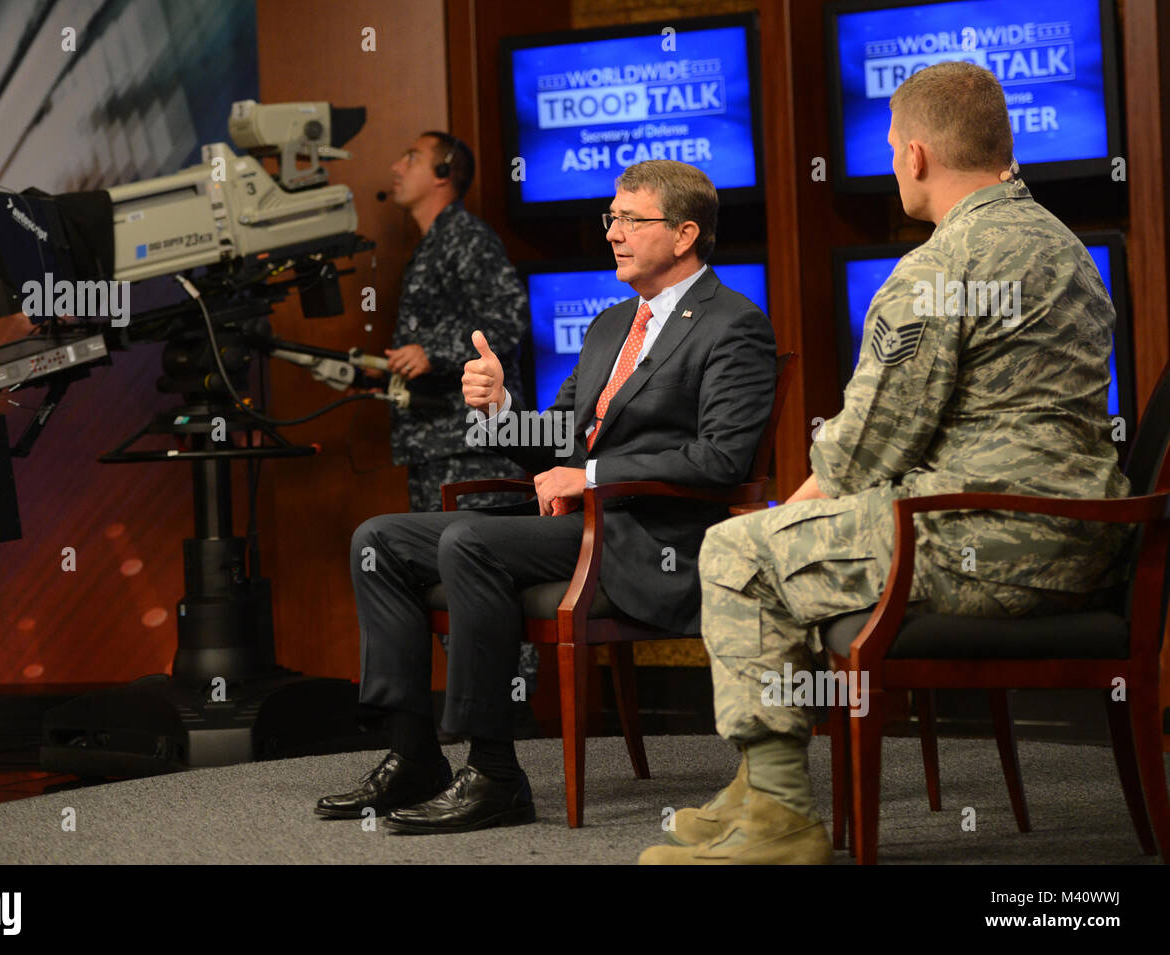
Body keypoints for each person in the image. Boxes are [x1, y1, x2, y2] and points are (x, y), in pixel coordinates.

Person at [639, 61, 1132, 865]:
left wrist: (783, 518)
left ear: (916, 157)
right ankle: (758, 786)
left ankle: (779, 817)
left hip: (983, 542)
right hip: (1084, 543)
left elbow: (866, 450)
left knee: (735, 550)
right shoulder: (1067, 247)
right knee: (779, 544)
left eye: (893, 147)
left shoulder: (938, 269)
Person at [316, 160, 777, 833]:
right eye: (610, 219)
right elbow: (562, 438)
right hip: (581, 526)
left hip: (652, 536)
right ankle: (414, 754)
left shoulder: (733, 324)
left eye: (629, 220)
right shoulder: (612, 323)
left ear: (683, 236)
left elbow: (722, 457)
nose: (613, 233)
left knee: (467, 540)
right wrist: (503, 407)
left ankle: (496, 775)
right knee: (378, 540)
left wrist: (590, 477)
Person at [382, 131, 540, 710]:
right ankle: (480, 718)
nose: (396, 166)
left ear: (445, 171)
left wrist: (436, 351)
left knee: (486, 585)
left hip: (474, 446)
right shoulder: (432, 244)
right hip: (437, 446)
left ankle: (513, 724)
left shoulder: (467, 236)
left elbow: (508, 317)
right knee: (444, 587)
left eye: (411, 157)